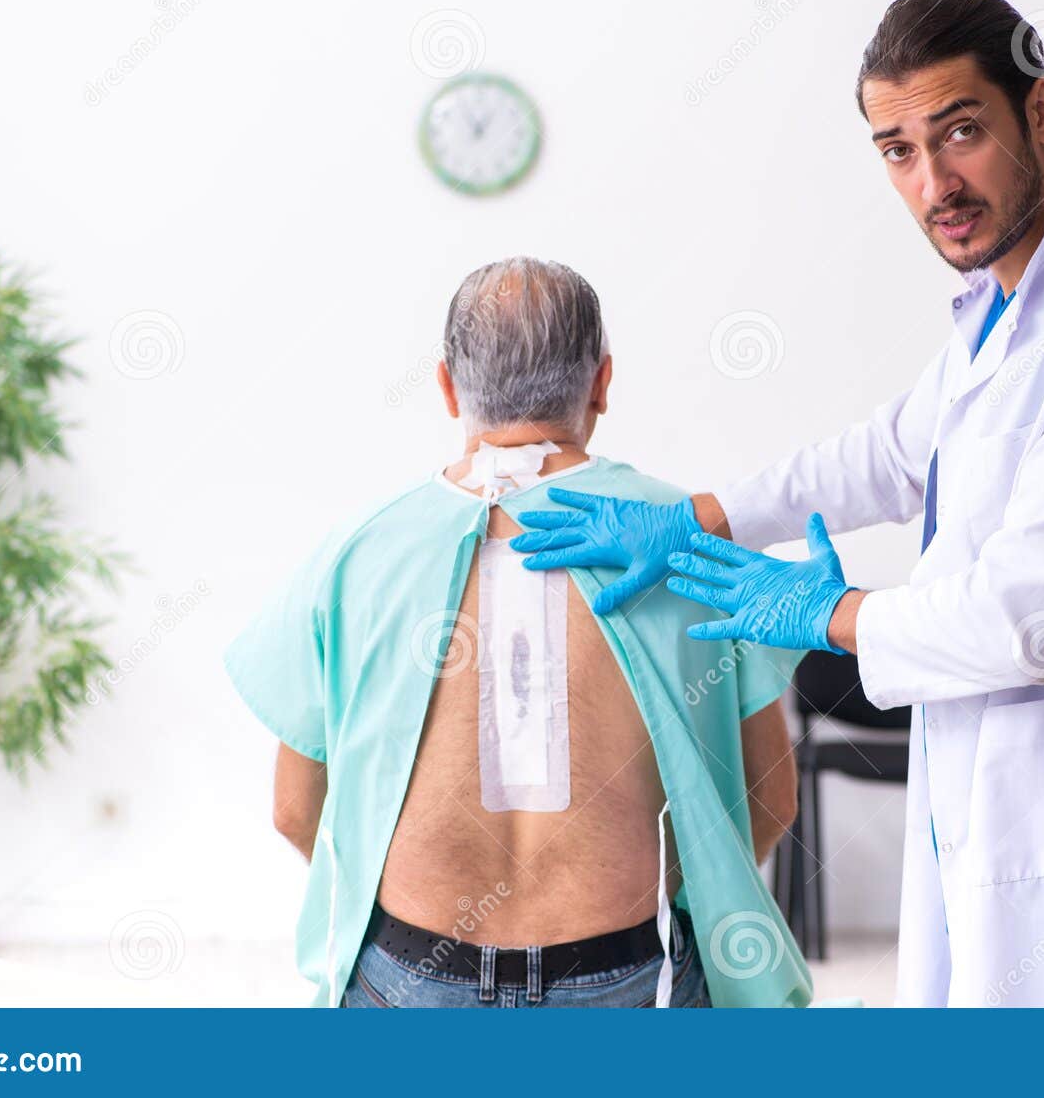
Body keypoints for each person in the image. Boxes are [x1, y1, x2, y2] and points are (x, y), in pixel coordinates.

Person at [513, 0, 1044, 1006]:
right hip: (1002, 793)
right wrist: (691, 520)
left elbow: (1030, 618)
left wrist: (829, 614)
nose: (933, 184)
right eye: (897, 150)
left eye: (960, 132)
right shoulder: (1005, 307)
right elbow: (885, 456)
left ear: (1040, 109)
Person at [224, 256, 812, 1008]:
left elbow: (294, 811)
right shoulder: (690, 540)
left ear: (447, 387)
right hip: (633, 976)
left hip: (409, 980)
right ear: (602, 382)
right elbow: (770, 802)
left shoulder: (355, 554)